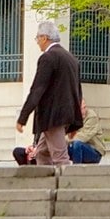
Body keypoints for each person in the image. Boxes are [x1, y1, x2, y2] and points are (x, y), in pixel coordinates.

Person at [16, 21, 85, 167]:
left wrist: (23, 117)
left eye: (37, 38)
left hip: (53, 117)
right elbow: (77, 91)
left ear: (44, 38)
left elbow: (37, 89)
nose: (37, 42)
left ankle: (68, 182)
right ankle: (46, 180)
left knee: (60, 157)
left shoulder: (48, 58)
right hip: (67, 115)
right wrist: (76, 123)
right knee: (42, 152)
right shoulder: (71, 58)